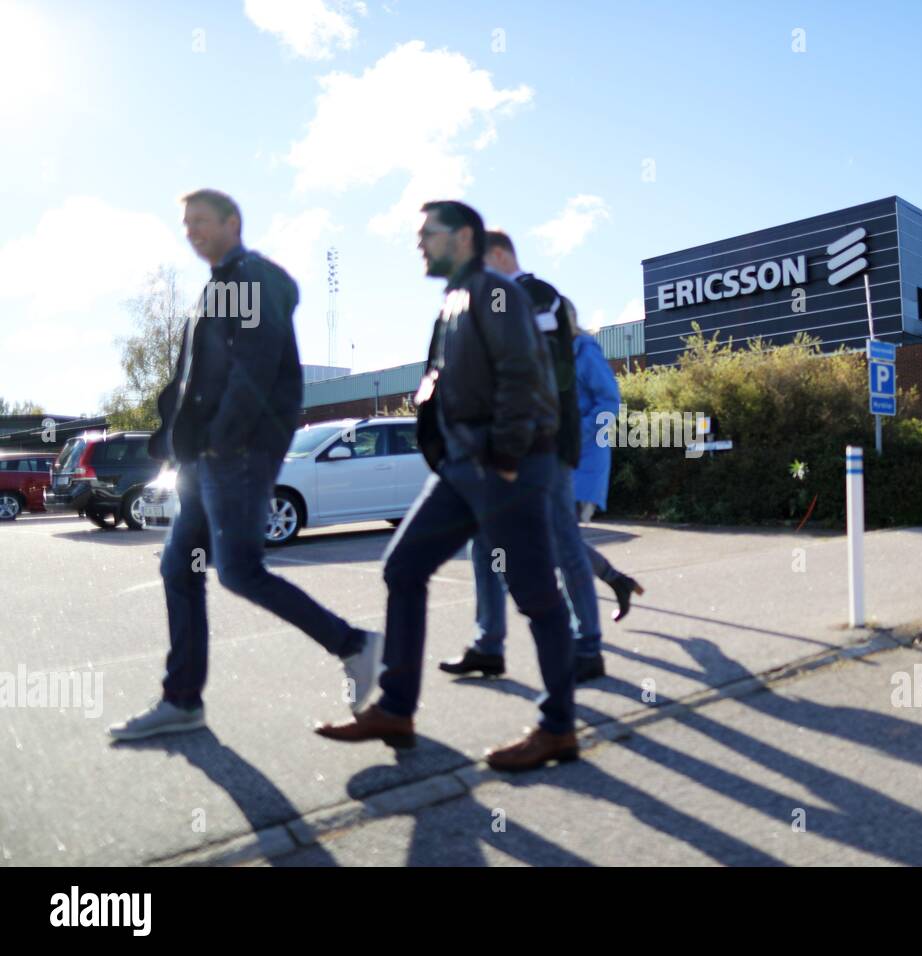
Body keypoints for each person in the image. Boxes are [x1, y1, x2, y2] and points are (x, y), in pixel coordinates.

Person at [108, 189, 382, 741]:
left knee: (238, 570)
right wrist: (173, 436)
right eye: (186, 225)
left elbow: (252, 372)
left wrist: (219, 443)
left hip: (235, 457)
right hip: (204, 459)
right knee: (179, 569)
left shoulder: (252, 280)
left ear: (233, 221)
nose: (193, 233)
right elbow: (194, 381)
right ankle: (182, 700)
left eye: (202, 222)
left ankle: (354, 645)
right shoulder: (216, 289)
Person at [315, 200, 578, 772]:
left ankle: (558, 728)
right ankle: (396, 708)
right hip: (461, 469)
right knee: (402, 568)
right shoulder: (456, 299)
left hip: (502, 468)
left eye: (426, 234)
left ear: (462, 237)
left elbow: (522, 376)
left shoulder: (494, 292)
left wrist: (505, 460)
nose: (419, 245)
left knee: (535, 594)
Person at [439, 230, 608, 683]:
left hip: (545, 447)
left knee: (563, 542)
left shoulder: (537, 295)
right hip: (505, 449)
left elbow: (529, 373)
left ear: (498, 255)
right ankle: (488, 645)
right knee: (485, 547)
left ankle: (587, 646)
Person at [570, 302, 644, 619]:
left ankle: (579, 626)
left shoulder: (583, 351)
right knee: (559, 541)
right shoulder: (549, 358)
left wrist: (575, 434)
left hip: (583, 464)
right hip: (558, 463)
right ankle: (615, 583)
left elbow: (609, 403)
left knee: (557, 541)